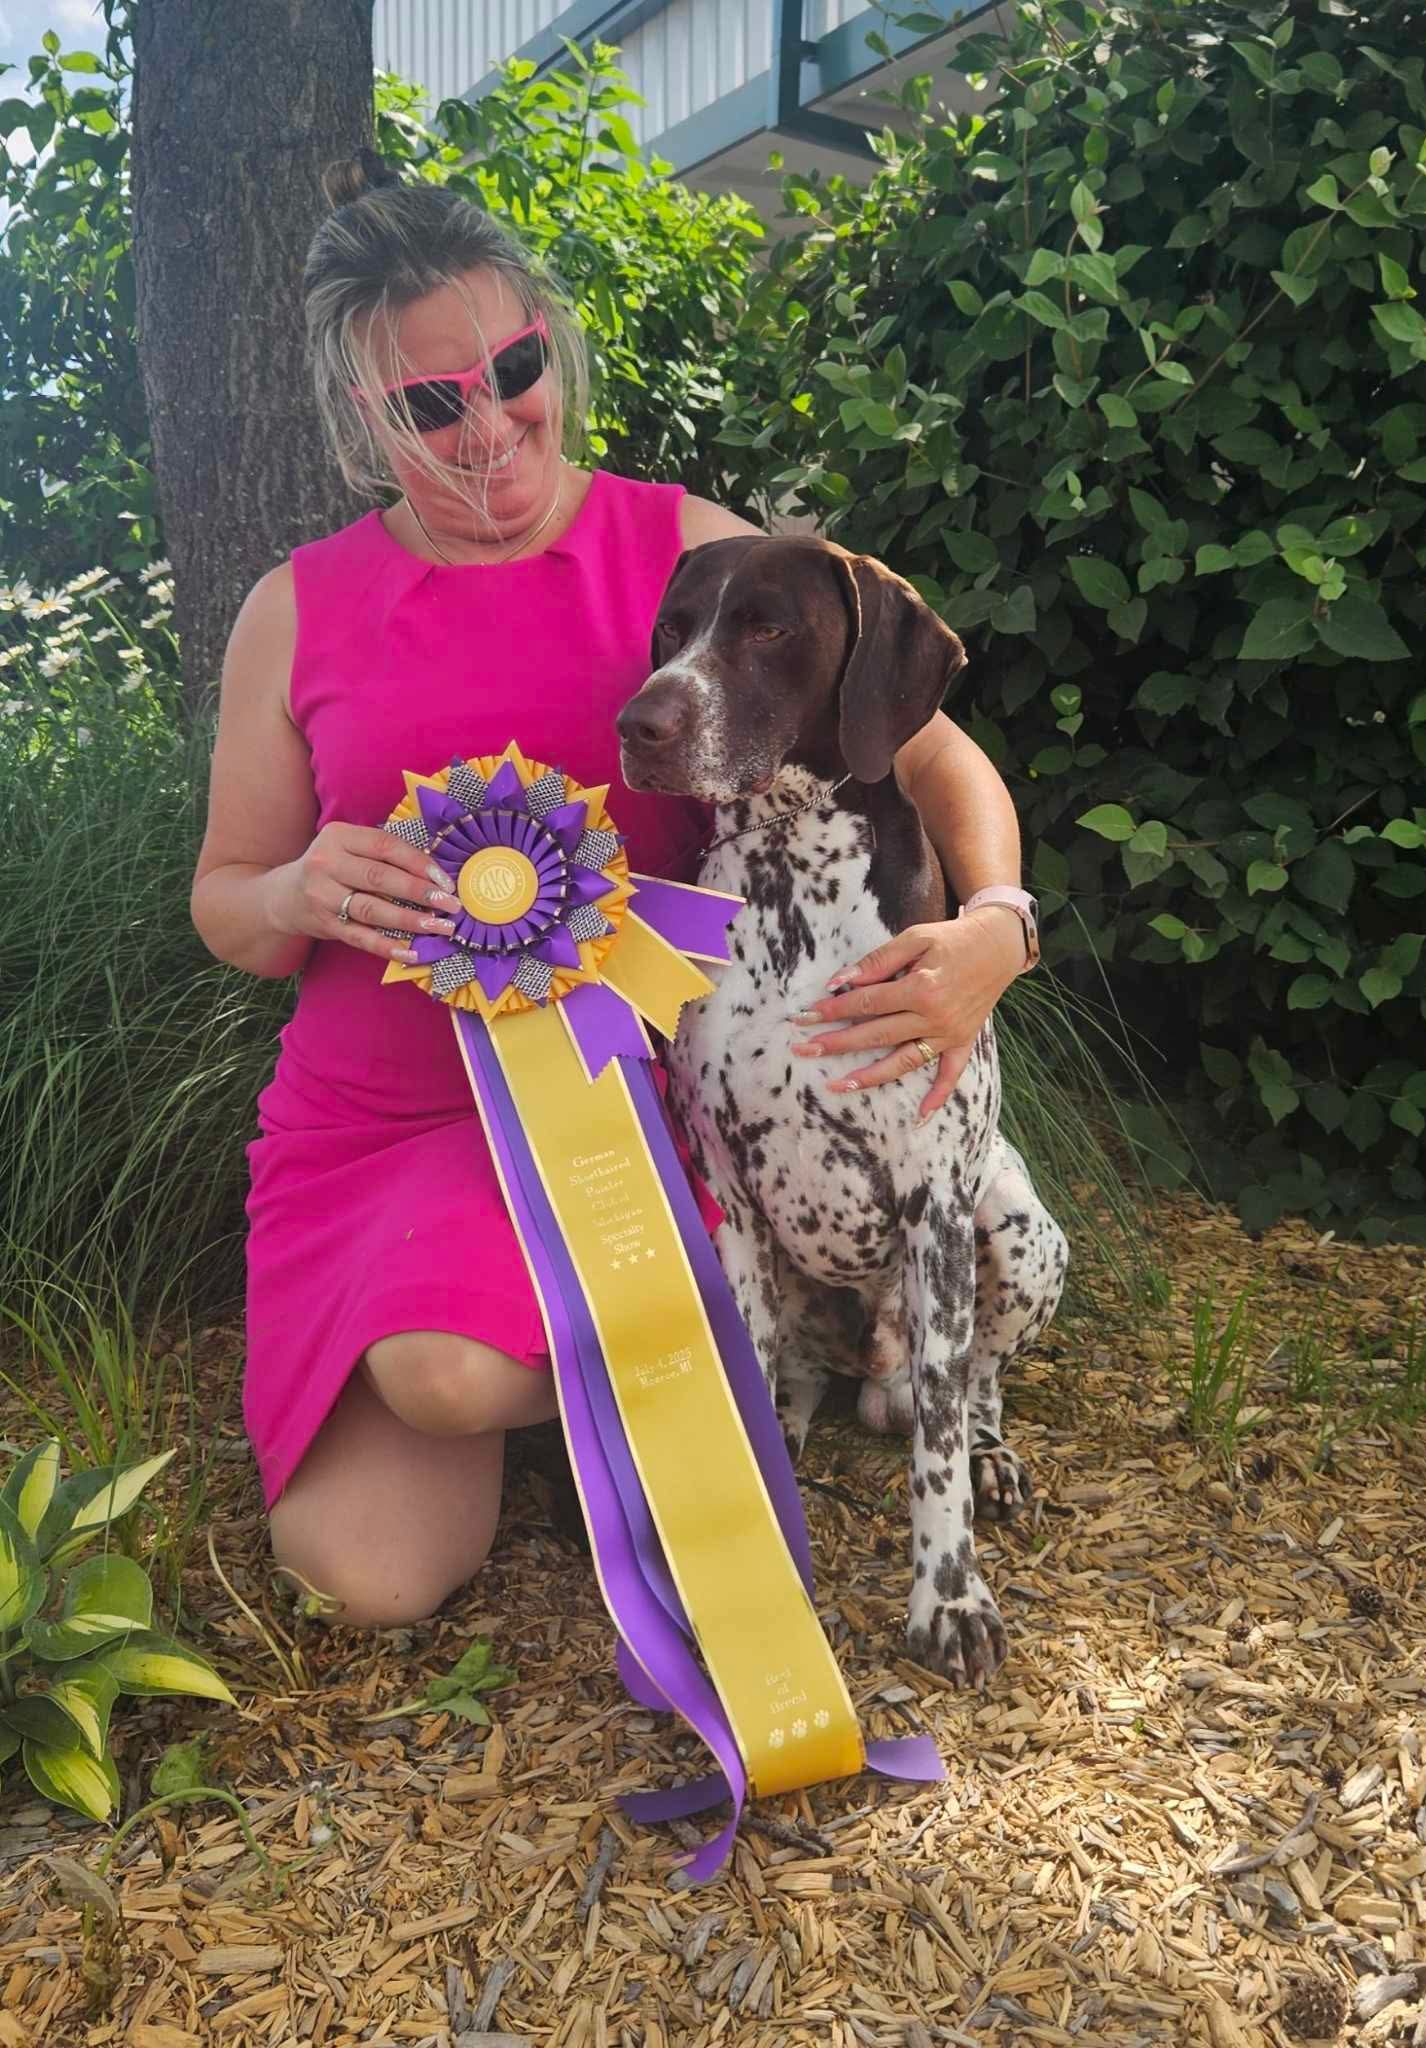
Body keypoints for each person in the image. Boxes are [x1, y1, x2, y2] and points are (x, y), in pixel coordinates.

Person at [191, 150, 1035, 1627]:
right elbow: (226, 904)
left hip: (657, 1106)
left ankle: (629, 1355)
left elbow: (942, 761)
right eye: (426, 401)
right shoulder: (295, 608)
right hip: (385, 1121)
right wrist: (298, 893)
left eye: (511, 365)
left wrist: (993, 928)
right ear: (360, 417)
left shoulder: (686, 547)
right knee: (366, 1580)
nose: (486, 420)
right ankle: (607, 1368)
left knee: (458, 1378)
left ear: (551, 346)